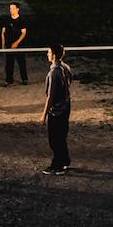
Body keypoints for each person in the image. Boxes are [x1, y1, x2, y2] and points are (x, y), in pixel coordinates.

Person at [40, 43, 74, 175]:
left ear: (53, 55)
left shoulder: (53, 73)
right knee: (62, 135)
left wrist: (44, 115)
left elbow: (50, 97)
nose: (47, 54)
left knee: (55, 139)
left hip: (57, 110)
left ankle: (57, 165)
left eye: (49, 52)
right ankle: (65, 160)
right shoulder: (66, 67)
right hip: (66, 106)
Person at [1, 2, 29, 86]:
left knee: (21, 62)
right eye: (10, 8)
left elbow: (23, 33)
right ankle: (9, 80)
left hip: (19, 46)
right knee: (9, 63)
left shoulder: (22, 20)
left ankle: (24, 79)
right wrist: (3, 45)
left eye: (13, 8)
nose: (11, 10)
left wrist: (16, 43)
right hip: (9, 45)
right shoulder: (6, 20)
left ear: (17, 9)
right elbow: (3, 33)